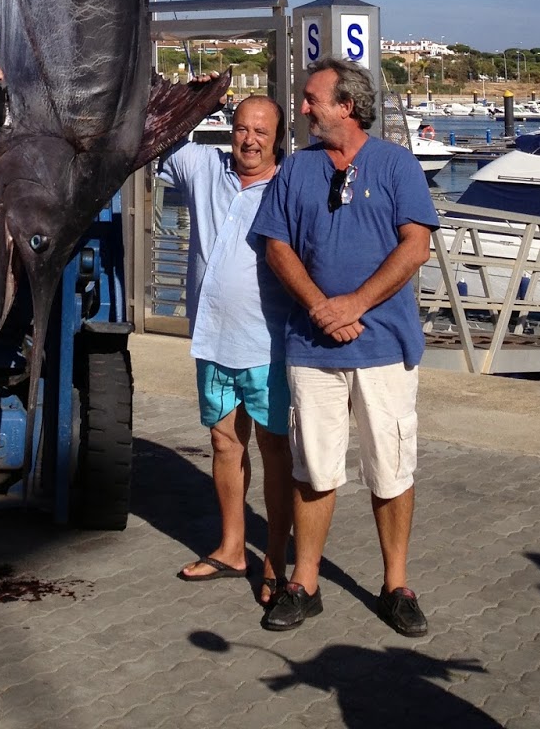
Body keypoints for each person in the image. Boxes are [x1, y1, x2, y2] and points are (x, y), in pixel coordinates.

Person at [251, 57, 439, 636]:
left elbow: (416, 247)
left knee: (391, 468)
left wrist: (353, 304)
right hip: (311, 348)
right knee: (314, 468)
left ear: (347, 106)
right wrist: (319, 307)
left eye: (312, 99)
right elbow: (276, 245)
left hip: (384, 347)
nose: (302, 108)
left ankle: (396, 586)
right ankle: (304, 583)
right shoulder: (296, 169)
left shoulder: (396, 164)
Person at [161, 94, 293, 605]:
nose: (249, 140)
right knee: (223, 444)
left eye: (261, 131)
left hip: (268, 344)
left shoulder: (288, 187)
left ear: (277, 139)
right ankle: (233, 548)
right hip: (211, 338)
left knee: (275, 450)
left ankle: (276, 559)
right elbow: (156, 134)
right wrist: (198, 102)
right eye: (241, 128)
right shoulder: (203, 168)